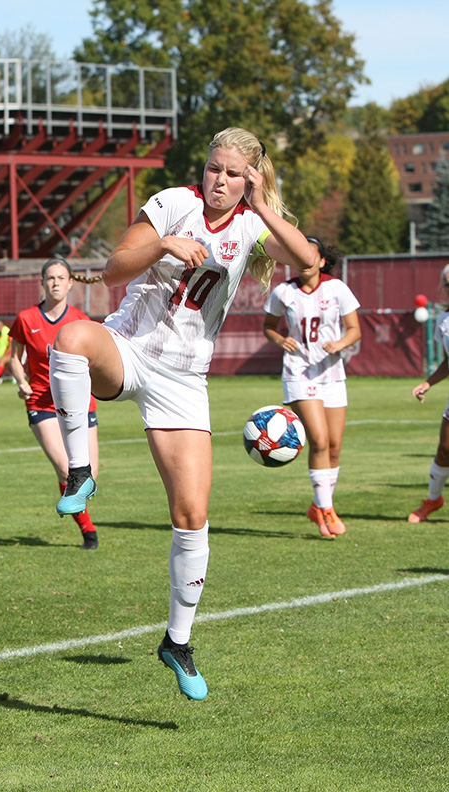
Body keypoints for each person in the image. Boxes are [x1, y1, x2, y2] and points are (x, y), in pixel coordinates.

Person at [48, 127, 318, 701]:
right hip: (129, 348)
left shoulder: (251, 222)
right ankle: (79, 470)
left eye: (231, 173)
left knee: (192, 515)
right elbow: (117, 268)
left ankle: (178, 640)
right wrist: (163, 246)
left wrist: (264, 203)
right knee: (71, 337)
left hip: (184, 378)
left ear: (249, 180)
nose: (217, 181)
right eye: (213, 168)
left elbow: (309, 258)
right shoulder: (174, 203)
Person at [263, 237, 361, 538]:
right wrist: (280, 340)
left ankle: (318, 506)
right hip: (299, 373)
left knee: (334, 446)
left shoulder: (336, 288)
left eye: (311, 256)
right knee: (318, 440)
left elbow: (355, 329)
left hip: (332, 373)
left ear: (321, 262)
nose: (304, 261)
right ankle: (326, 509)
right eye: (298, 256)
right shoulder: (284, 292)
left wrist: (340, 344)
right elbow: (269, 326)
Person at [9, 258, 102, 549]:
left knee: (91, 475)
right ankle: (89, 531)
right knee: (67, 469)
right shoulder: (26, 318)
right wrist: (22, 382)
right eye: (50, 278)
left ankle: (77, 507)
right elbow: (14, 357)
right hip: (42, 402)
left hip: (79, 402)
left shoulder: (80, 318)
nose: (56, 283)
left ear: (71, 283)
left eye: (61, 278)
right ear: (42, 282)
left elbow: (94, 358)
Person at [408, 263, 449, 523]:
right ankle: (434, 500)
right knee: (445, 449)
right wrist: (428, 383)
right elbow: (447, 362)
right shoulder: (444, 322)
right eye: (448, 284)